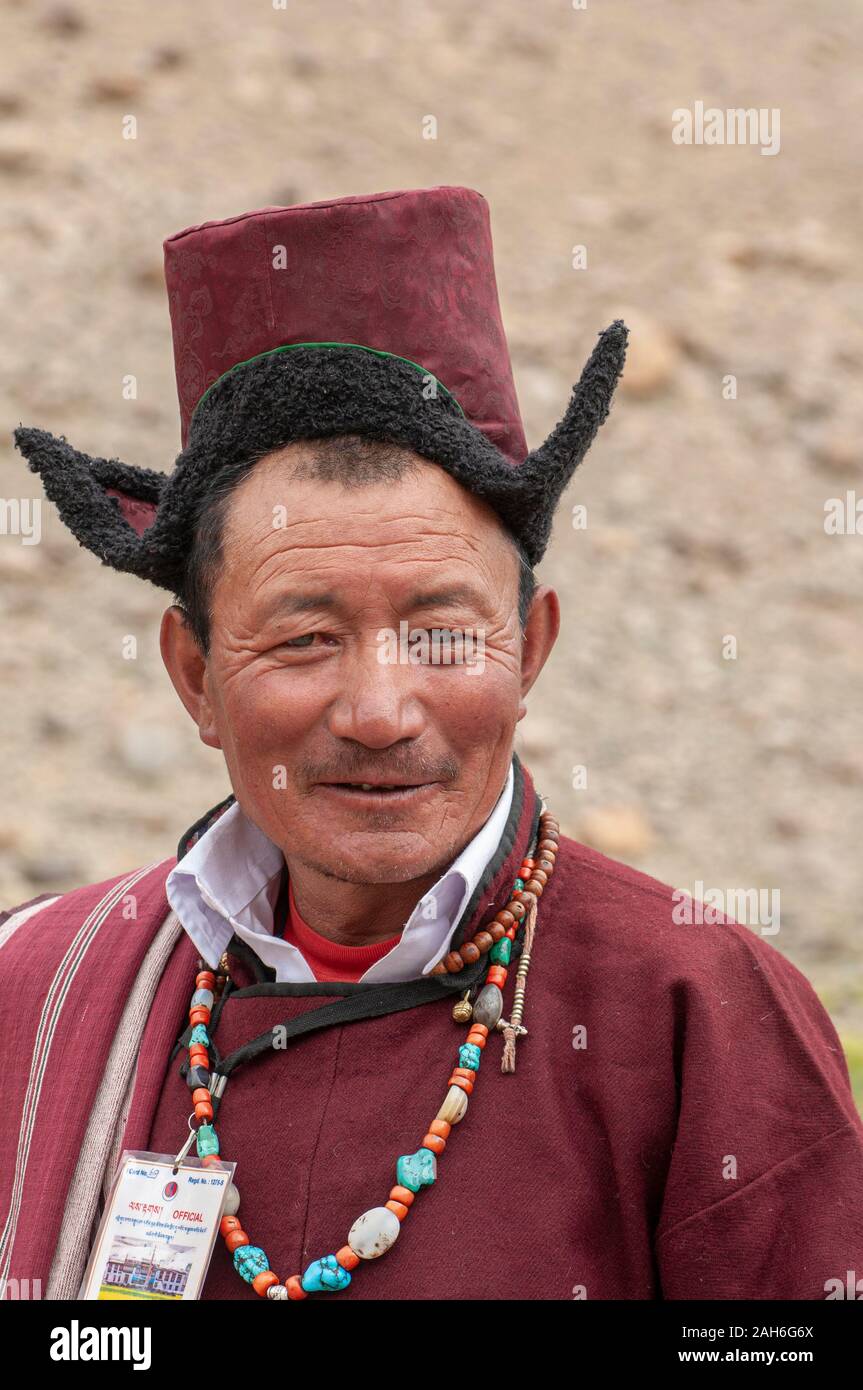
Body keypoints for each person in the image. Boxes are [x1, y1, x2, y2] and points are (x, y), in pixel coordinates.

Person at [3, 186, 861, 1301]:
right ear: (195, 677)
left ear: (529, 652)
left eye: (442, 635)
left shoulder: (694, 1010)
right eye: (306, 637)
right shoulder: (40, 993)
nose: (378, 708)